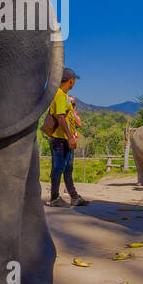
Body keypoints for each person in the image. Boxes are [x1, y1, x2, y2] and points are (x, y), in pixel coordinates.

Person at [48, 68, 89, 207]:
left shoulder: (63, 96)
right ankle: (54, 198)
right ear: (71, 81)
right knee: (58, 168)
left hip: (64, 139)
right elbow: (60, 117)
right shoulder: (59, 96)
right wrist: (70, 137)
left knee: (67, 169)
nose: (74, 83)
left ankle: (74, 197)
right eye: (74, 81)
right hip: (60, 139)